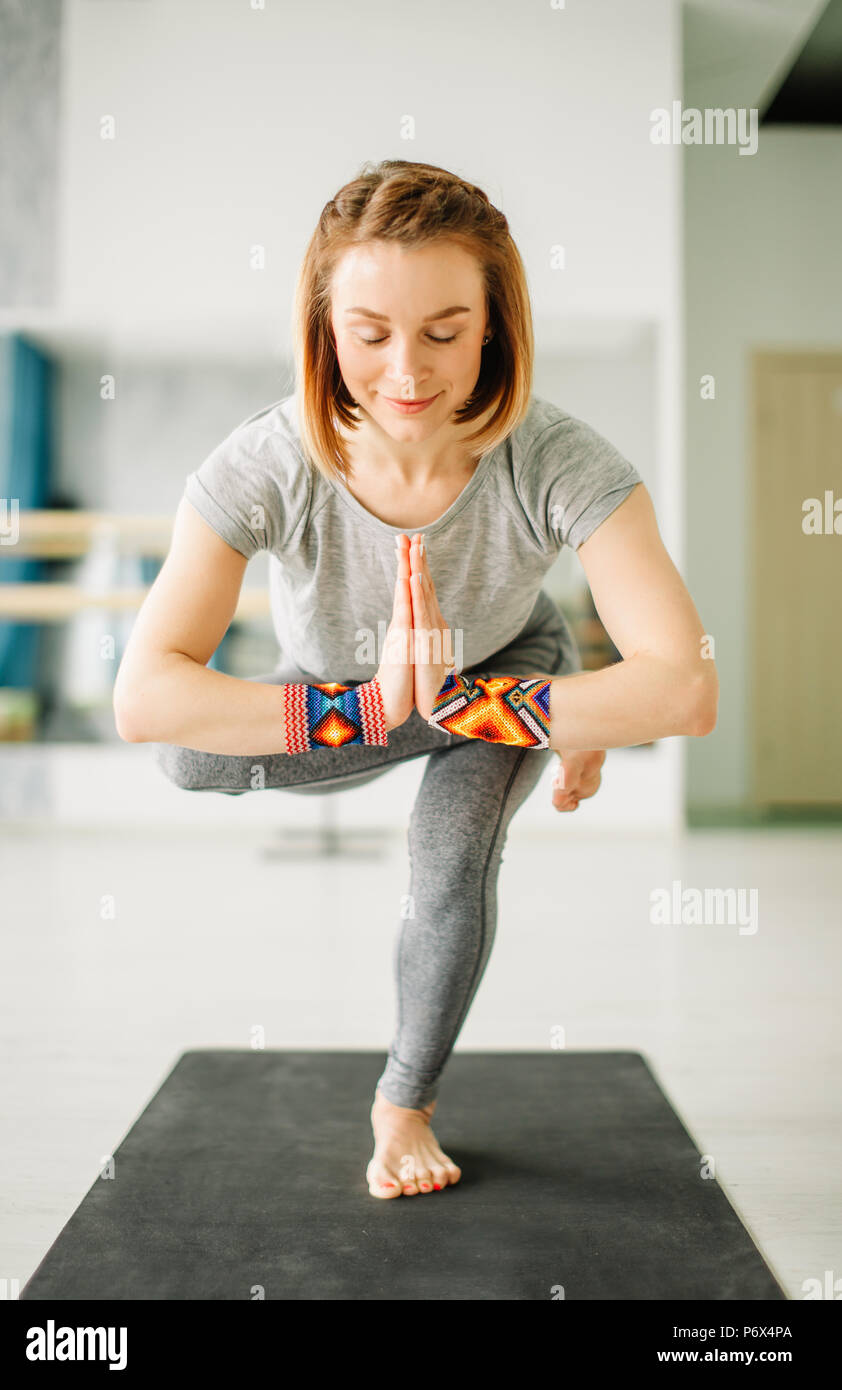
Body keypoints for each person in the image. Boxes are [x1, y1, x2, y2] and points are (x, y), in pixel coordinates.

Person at [113, 159, 718, 1201]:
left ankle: (402, 1107)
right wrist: (370, 709)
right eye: (369, 332)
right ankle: (534, 717)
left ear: (493, 325)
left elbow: (683, 688)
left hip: (500, 673)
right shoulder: (262, 464)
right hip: (354, 689)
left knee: (445, 860)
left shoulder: (558, 459)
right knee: (184, 757)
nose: (406, 370)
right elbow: (146, 701)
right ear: (322, 326)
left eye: (443, 330)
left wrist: (487, 707)